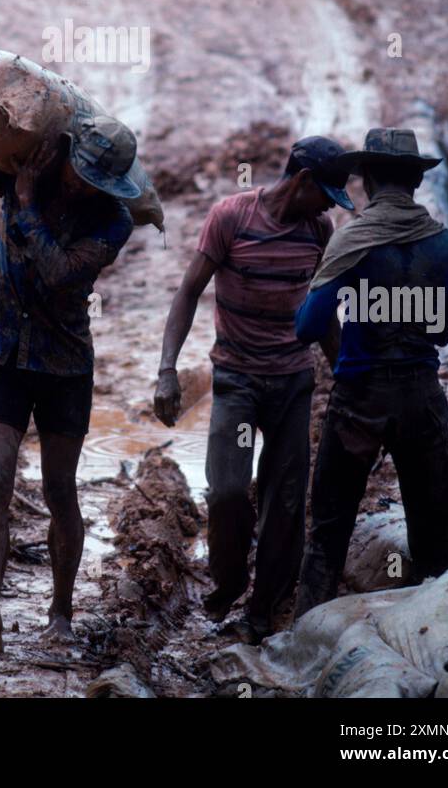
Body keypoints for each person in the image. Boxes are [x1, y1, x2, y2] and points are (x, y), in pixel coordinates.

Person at [0, 105, 138, 659]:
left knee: (59, 489)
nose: (79, 185)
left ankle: (60, 614)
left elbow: (62, 271)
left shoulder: (113, 219)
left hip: (65, 367)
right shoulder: (27, 174)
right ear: (66, 156)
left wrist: (26, 207)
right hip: (2, 357)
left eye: (93, 180)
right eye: (77, 171)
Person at [153, 136, 354, 643]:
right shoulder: (231, 217)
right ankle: (229, 584)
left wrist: (348, 375)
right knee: (226, 491)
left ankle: (262, 611)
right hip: (237, 381)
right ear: (302, 181)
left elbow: (322, 309)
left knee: (285, 501)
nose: (332, 203)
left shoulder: (318, 228)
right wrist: (166, 369)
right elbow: (188, 291)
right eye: (326, 191)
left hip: (291, 383)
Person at [294, 128, 448, 618]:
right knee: (433, 539)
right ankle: (444, 642)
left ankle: (306, 641)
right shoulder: (445, 244)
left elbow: (307, 326)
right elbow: (443, 333)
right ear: (415, 182)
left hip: (359, 401)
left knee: (328, 533)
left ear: (365, 181)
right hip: (421, 399)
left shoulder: (352, 239)